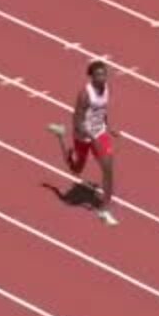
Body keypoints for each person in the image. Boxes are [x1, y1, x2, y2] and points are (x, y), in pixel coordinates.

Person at [48, 60, 120, 226]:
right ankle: (60, 136)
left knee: (108, 169)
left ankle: (105, 210)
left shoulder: (106, 89)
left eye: (104, 74)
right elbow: (77, 121)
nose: (103, 77)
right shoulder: (85, 95)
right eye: (99, 75)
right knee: (76, 169)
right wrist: (90, 137)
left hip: (99, 133)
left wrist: (108, 128)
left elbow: (102, 111)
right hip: (83, 135)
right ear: (91, 77)